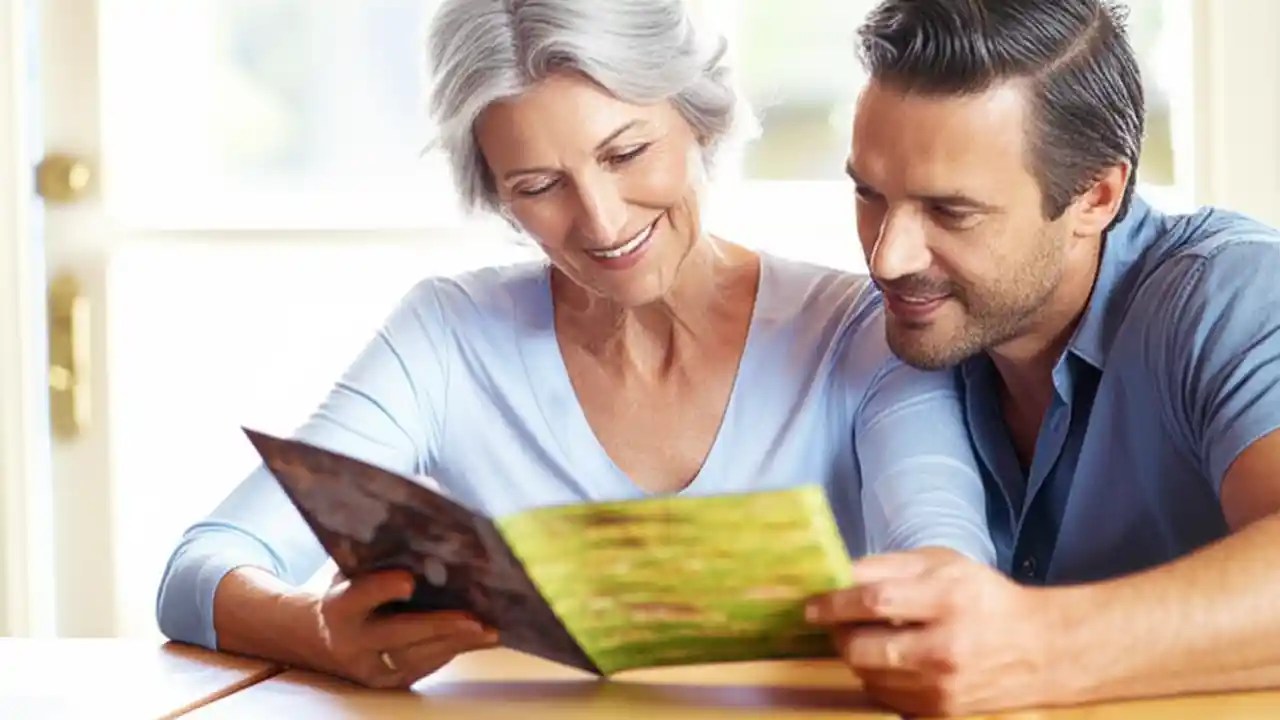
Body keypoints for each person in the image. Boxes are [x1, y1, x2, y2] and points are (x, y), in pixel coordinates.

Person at [156, 0, 995, 690]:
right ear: (497, 196)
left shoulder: (862, 330)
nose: (600, 220)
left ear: (697, 120)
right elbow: (201, 568)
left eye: (626, 152)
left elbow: (950, 564)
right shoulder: (447, 337)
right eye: (538, 186)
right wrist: (315, 630)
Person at [804, 0, 1280, 715]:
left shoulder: (1230, 297)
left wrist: (1036, 644)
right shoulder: (914, 337)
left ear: (1096, 195)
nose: (887, 257)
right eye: (869, 194)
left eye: (951, 212)